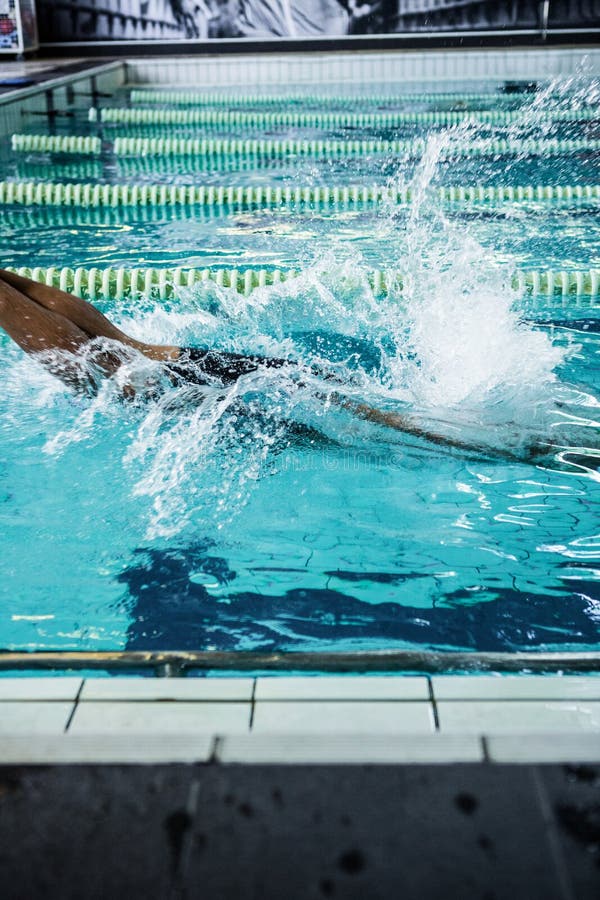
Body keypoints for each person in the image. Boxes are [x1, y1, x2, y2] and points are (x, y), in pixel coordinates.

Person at [0, 268, 528, 457]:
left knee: (375, 425)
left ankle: (504, 443)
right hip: (181, 361)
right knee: (358, 403)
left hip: (174, 376)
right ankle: (493, 436)